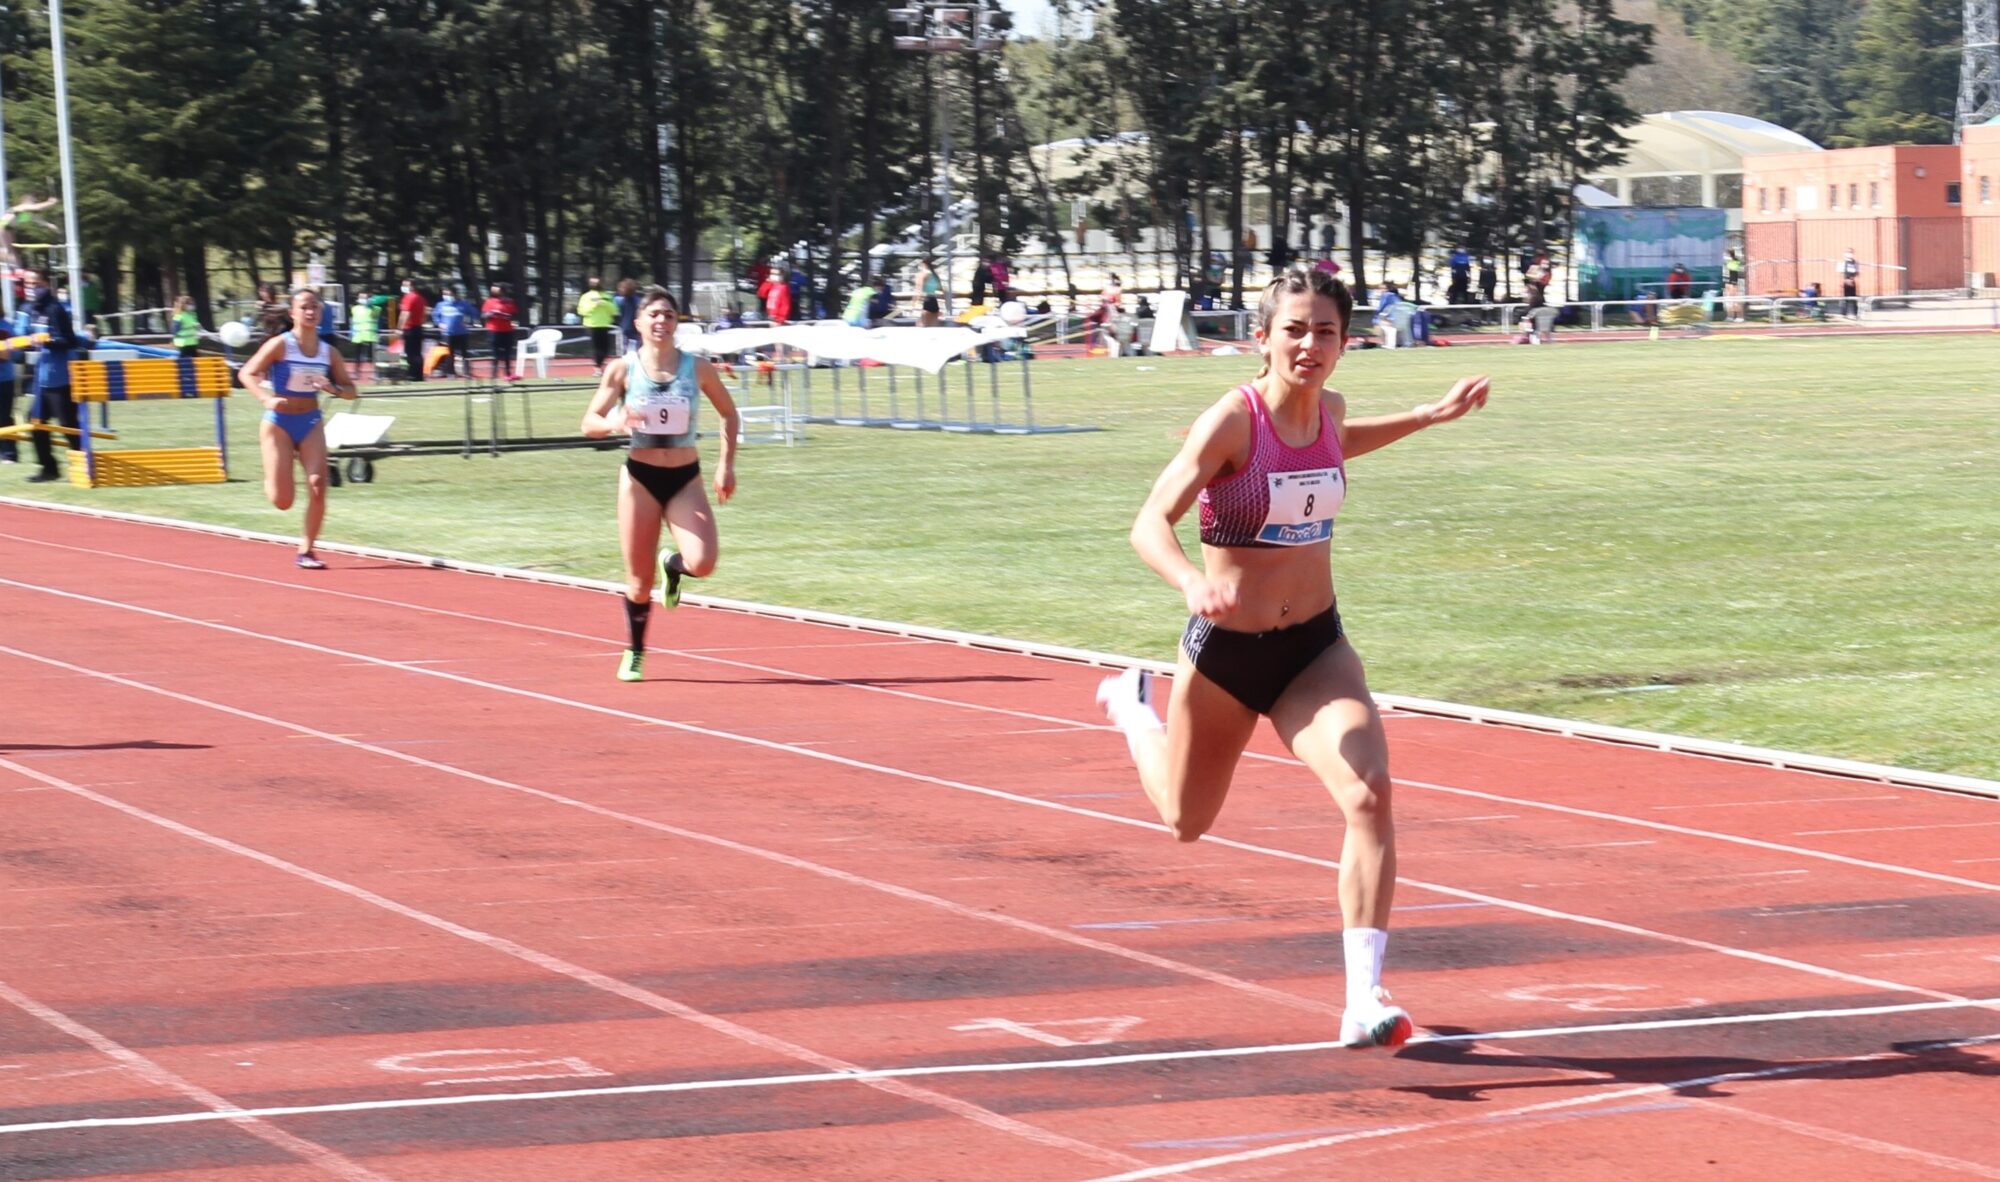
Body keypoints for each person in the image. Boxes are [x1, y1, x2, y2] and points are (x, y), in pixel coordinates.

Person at [1095, 262, 1490, 1049]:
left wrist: (1424, 416)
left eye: (1326, 332)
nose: (1310, 344)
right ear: (1263, 339)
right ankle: (1131, 711)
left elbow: (1343, 438)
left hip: (1315, 648)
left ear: (1346, 342)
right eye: (1295, 330)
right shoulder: (1232, 423)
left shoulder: (1330, 411)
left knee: (1370, 792)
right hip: (1228, 654)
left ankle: (1362, 997)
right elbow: (1149, 520)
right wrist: (1185, 581)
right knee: (1185, 821)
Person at [579, 286, 741, 683]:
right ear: (638, 323)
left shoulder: (697, 368)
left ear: (676, 323)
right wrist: (615, 423)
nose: (661, 322)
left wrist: (726, 467)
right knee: (638, 582)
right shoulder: (623, 369)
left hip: (685, 478)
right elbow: (588, 423)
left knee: (703, 563)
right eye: (653, 315)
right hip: (640, 480)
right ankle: (635, 650)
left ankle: (673, 563)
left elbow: (729, 414)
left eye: (668, 315)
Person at [234, 288, 360, 567]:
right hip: (279, 423)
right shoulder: (281, 344)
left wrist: (333, 388)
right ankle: (275, 469)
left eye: (315, 306)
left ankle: (307, 550)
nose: (310, 311)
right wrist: (266, 398)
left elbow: (353, 391)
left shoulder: (329, 352)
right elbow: (247, 372)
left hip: (310, 421)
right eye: (304, 307)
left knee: (318, 484)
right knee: (282, 501)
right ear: (293, 313)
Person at [20, 270, 81, 483]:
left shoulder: (54, 309)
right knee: (34, 421)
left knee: (67, 424)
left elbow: (70, 341)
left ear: (46, 284)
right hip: (42, 379)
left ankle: (83, 465)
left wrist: (46, 341)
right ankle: (49, 468)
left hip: (60, 377)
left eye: (35, 282)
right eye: (27, 283)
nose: (30, 286)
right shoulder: (34, 310)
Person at [481, 283, 519, 381]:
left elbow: (514, 315)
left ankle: (508, 373)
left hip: (507, 330)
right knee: (495, 353)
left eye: (497, 290)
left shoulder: (510, 302)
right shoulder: (489, 302)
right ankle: (493, 374)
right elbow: (483, 315)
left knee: (507, 353)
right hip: (494, 330)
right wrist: (490, 314)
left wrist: (507, 316)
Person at [579, 277, 617, 373]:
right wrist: (594, 305)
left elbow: (614, 311)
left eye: (597, 282)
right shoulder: (586, 297)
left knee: (605, 348)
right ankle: (597, 367)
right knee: (597, 348)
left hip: (605, 324)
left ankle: (599, 364)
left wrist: (605, 304)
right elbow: (582, 311)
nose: (596, 284)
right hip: (592, 325)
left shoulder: (607, 296)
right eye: (593, 283)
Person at [434, 286, 471, 377]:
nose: (447, 296)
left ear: (454, 294)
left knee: (464, 353)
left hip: (462, 333)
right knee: (449, 354)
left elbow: (473, 313)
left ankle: (466, 372)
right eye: (445, 294)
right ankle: (450, 372)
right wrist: (439, 323)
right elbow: (435, 316)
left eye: (449, 294)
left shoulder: (463, 304)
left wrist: (468, 321)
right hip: (448, 333)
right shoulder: (440, 305)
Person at [397, 279, 428, 382]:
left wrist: (399, 328)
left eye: (405, 285)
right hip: (418, 328)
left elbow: (405, 313)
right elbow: (424, 315)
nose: (403, 287)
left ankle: (412, 375)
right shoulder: (421, 298)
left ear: (412, 286)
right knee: (417, 353)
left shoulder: (409, 297)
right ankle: (419, 375)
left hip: (409, 328)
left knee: (410, 353)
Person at [348, 290, 378, 380]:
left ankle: (375, 373)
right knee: (357, 356)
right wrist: (351, 333)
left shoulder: (375, 309)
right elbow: (353, 321)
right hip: (358, 336)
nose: (362, 299)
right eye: (360, 297)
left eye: (364, 297)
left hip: (370, 335)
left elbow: (374, 315)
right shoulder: (354, 308)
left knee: (372, 356)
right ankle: (356, 373)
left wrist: (371, 305)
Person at [615, 278, 641, 351]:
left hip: (626, 327)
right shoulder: (638, 301)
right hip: (634, 328)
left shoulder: (620, 301)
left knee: (626, 349)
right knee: (635, 348)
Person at [1840, 248, 1860, 316]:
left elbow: (1857, 272)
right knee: (1845, 298)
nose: (1850, 254)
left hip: (1852, 282)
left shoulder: (1855, 263)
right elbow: (1840, 273)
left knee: (1854, 298)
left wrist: (1852, 279)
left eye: (1851, 252)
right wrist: (1845, 280)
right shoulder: (1842, 262)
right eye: (1848, 252)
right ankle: (1844, 313)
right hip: (1845, 282)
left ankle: (1855, 313)